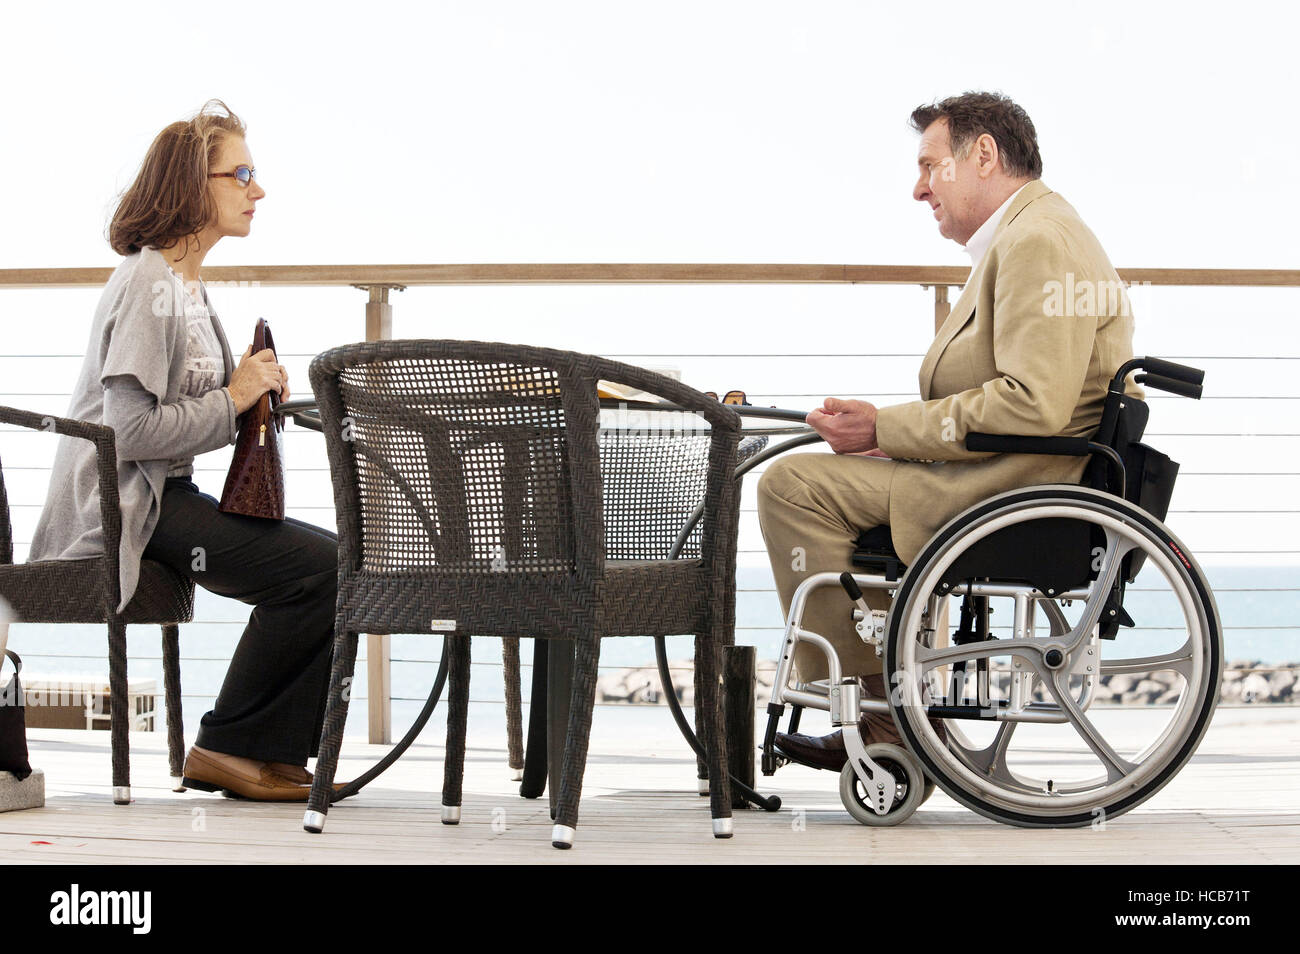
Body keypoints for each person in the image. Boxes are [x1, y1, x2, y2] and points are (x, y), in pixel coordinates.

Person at [759, 91, 1140, 770]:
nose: (918, 188)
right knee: (812, 475)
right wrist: (888, 435)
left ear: (984, 154)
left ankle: (884, 719)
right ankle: (891, 697)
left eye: (931, 165)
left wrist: (890, 427)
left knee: (792, 484)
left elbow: (1030, 404)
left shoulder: (1037, 241)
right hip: (1011, 476)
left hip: (1009, 490)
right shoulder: (1036, 233)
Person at [29, 100, 339, 801]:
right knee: (322, 570)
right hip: (124, 505)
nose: (258, 190)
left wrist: (251, 394)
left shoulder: (187, 287)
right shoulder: (148, 282)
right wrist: (232, 397)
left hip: (168, 497)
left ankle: (261, 748)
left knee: (333, 565)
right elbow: (130, 433)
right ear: (195, 185)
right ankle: (231, 748)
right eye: (243, 174)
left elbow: (189, 416)